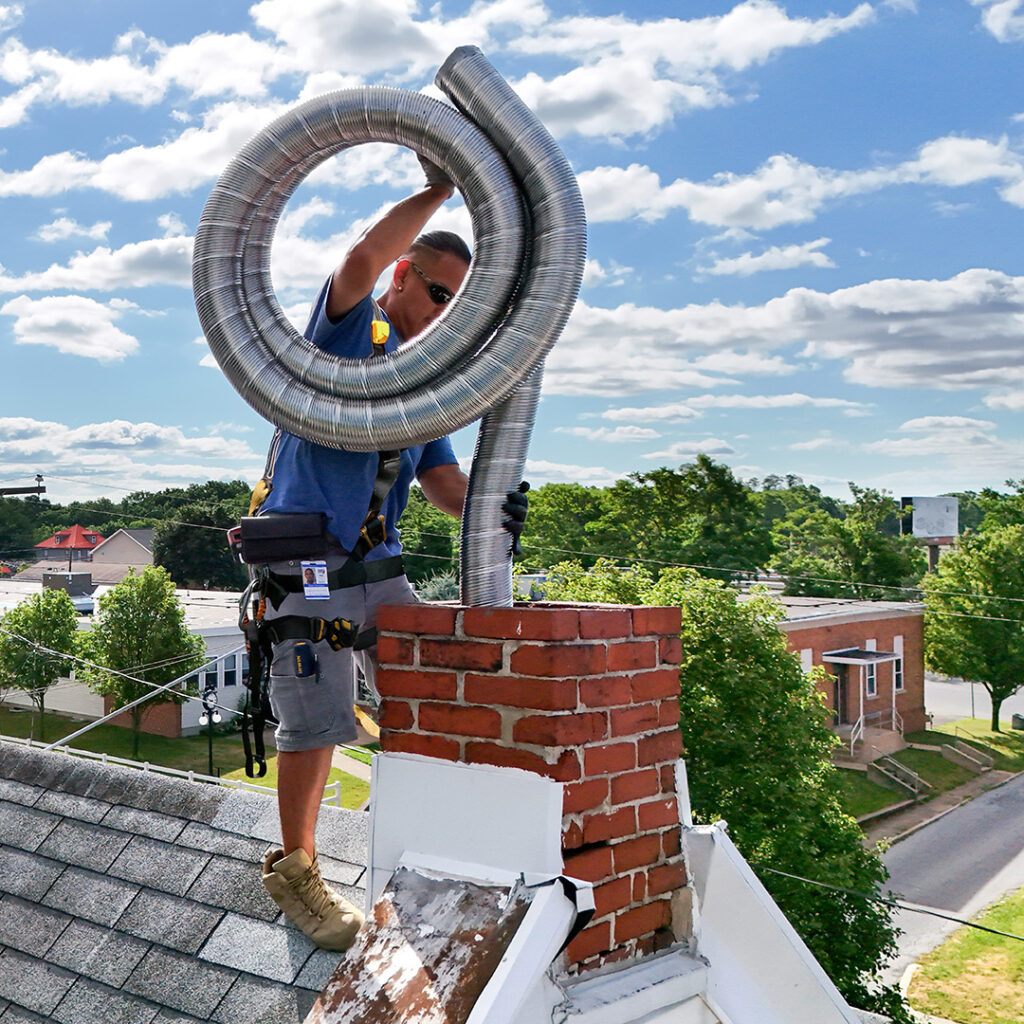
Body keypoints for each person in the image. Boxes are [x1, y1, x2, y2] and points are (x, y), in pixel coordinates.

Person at [252, 158, 528, 951]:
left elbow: (440, 477)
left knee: (422, 698)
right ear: (407, 276)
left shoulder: (418, 377)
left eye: (457, 303)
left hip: (381, 568)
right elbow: (358, 262)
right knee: (316, 718)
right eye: (438, 292)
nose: (444, 311)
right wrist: (439, 190)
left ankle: (419, 838)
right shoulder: (350, 333)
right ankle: (296, 873)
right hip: (308, 562)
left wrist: (490, 501)